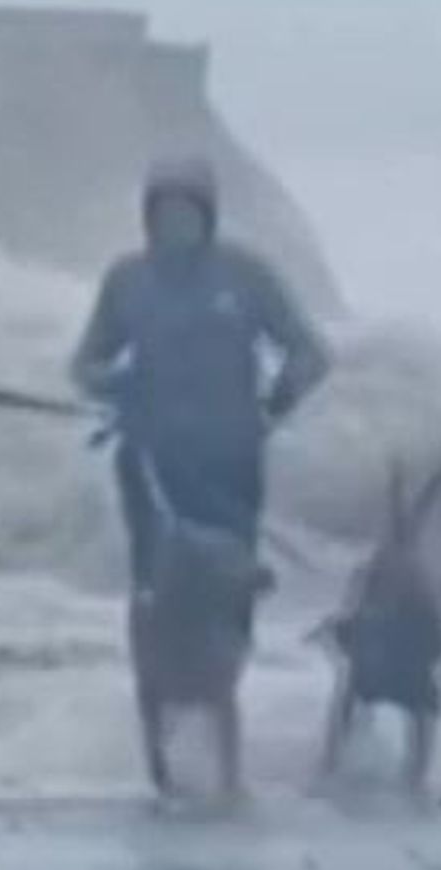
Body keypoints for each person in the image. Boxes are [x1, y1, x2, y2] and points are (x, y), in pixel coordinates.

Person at [71, 157, 331, 622]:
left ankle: (226, 680)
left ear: (207, 215)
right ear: (147, 218)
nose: (175, 224)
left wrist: (279, 399)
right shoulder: (127, 280)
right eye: (163, 213)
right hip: (151, 455)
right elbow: (85, 364)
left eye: (186, 213)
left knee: (230, 588)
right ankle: (154, 682)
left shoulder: (246, 275)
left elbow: (310, 353)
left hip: (229, 458)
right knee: (155, 589)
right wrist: (115, 385)